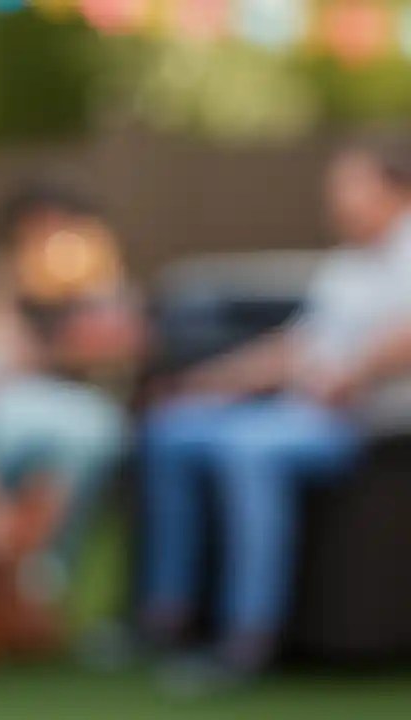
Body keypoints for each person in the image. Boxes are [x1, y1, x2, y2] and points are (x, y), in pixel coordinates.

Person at [139, 140, 411, 689]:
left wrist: (353, 373)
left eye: (350, 186)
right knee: (171, 431)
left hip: (369, 426)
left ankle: (249, 638)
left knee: (247, 449)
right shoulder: (347, 264)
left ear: (396, 190)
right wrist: (206, 384)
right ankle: (168, 614)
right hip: (304, 412)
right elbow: (297, 347)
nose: (336, 200)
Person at [0, 182, 141, 636]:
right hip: (7, 404)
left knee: (86, 442)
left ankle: (42, 582)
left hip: (80, 411)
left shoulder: (105, 278)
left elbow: (117, 355)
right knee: (2, 441)